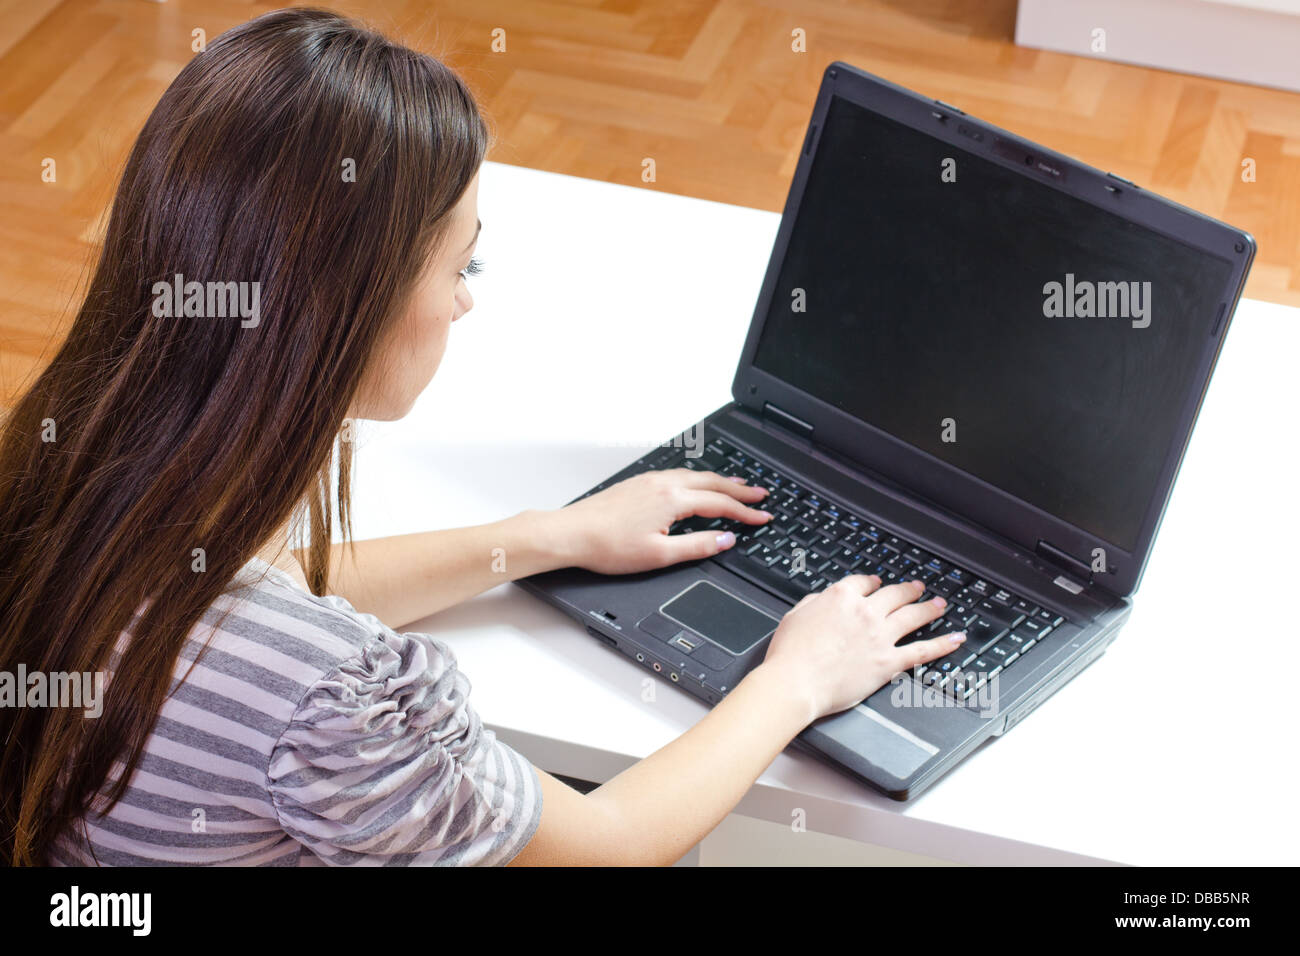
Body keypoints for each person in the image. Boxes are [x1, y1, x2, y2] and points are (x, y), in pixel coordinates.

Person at [0, 7, 963, 867]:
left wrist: (552, 537)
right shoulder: (327, 699)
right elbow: (607, 848)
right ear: (348, 305)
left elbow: (264, 589)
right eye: (463, 263)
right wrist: (797, 679)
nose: (465, 302)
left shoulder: (63, 478)